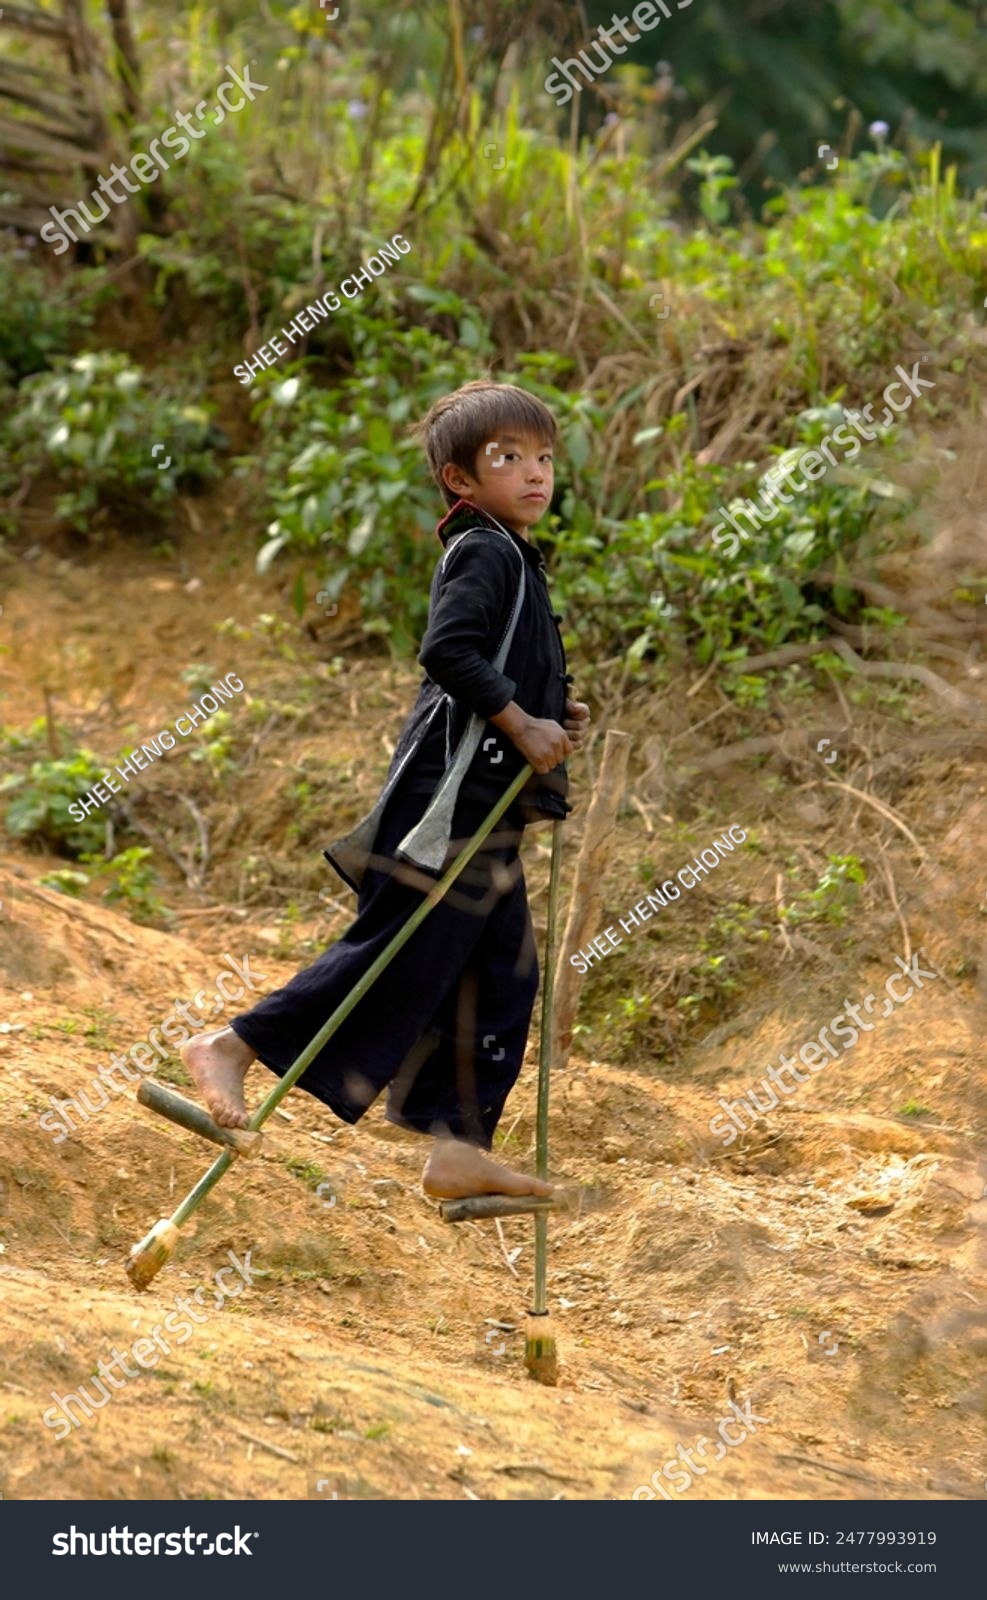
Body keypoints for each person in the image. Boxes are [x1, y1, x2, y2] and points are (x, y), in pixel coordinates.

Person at [183, 379, 590, 1199]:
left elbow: (496, 662)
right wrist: (520, 722)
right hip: (446, 803)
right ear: (460, 480)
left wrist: (555, 713)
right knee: (397, 947)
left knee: (502, 974)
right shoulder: (482, 548)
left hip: (488, 809)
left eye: (543, 457)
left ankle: (458, 1146)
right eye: (508, 458)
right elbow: (447, 652)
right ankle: (228, 1046)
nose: (535, 474)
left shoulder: (515, 555)